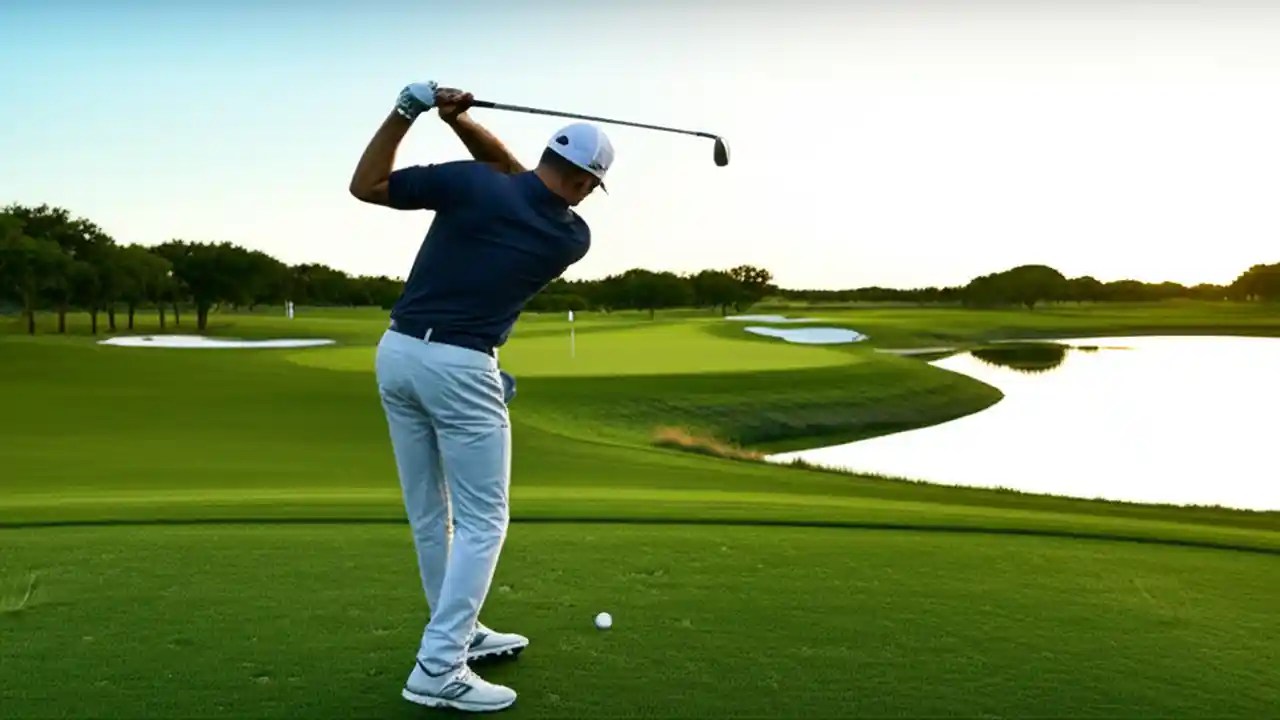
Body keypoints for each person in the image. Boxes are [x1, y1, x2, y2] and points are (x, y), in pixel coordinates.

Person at [348, 80, 612, 713]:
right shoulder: (571, 237)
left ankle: (458, 631)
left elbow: (367, 185)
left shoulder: (473, 184)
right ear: (585, 184)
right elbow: (519, 181)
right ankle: (439, 667)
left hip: (398, 353)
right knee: (483, 521)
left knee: (427, 512)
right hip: (463, 368)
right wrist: (459, 122)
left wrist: (412, 112)